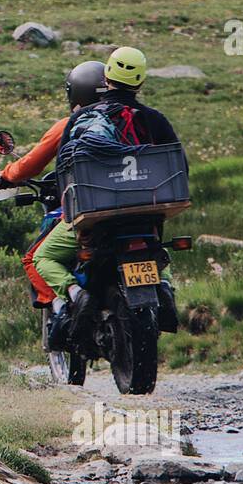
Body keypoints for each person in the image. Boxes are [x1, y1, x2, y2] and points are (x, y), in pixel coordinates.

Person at [31, 47, 180, 345]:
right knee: (158, 250)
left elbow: (64, 169)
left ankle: (75, 293)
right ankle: (164, 285)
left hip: (96, 212)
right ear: (140, 82)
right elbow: (177, 163)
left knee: (42, 256)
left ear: (107, 77)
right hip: (145, 209)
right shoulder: (155, 119)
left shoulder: (81, 119)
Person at [0, 61, 108, 308]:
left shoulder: (71, 124)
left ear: (75, 93)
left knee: (36, 257)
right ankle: (164, 285)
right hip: (137, 204)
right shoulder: (128, 118)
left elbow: (30, 165)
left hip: (88, 209)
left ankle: (63, 304)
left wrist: (7, 175)